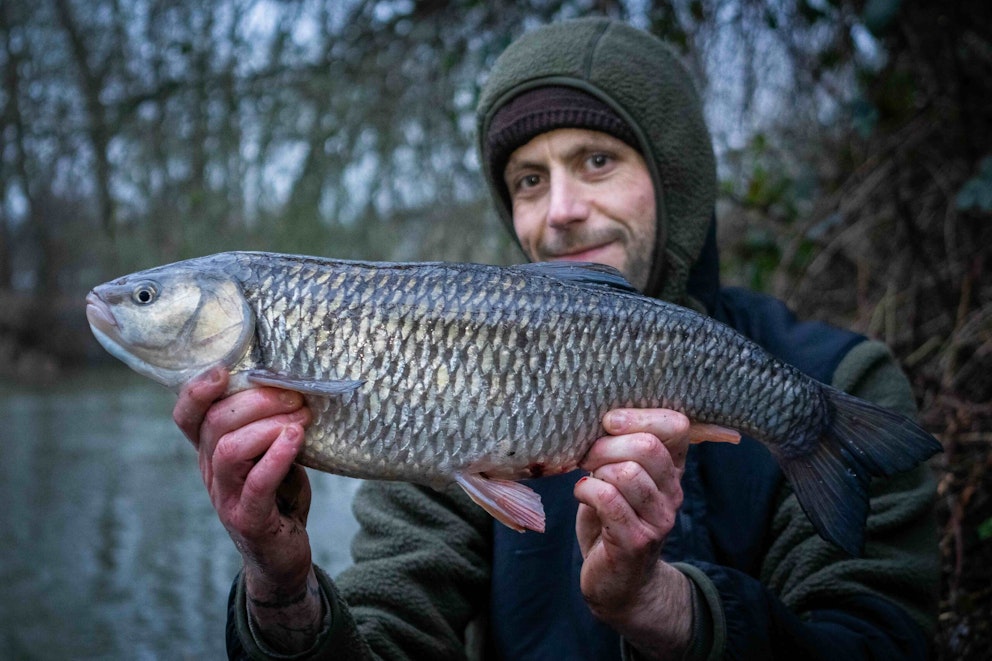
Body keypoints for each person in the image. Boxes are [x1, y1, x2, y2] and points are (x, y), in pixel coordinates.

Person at [173, 17, 939, 660]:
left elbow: (882, 640)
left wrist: (668, 609)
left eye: (596, 161)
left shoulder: (838, 378)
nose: (561, 209)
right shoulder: (443, 394)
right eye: (529, 180)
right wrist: (280, 587)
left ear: (674, 183)